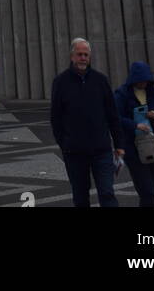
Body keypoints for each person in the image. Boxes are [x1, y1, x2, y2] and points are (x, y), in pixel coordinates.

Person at [50, 38, 124, 207]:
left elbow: (113, 115)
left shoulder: (101, 80)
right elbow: (56, 118)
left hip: (101, 150)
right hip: (74, 153)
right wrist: (65, 144)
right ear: (72, 56)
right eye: (79, 54)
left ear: (90, 57)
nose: (83, 58)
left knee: (107, 193)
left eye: (86, 55)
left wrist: (119, 145)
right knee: (81, 197)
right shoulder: (60, 82)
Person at [114, 61, 154, 207]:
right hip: (133, 148)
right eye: (141, 79)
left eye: (146, 79)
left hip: (152, 145)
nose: (144, 83)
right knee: (147, 191)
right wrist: (134, 125)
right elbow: (115, 117)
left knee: (151, 187)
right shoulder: (122, 94)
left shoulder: (151, 92)